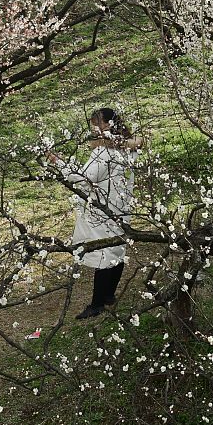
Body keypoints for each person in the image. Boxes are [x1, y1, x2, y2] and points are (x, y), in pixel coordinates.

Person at [47, 107, 142, 320]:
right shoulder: (127, 148)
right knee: (116, 248)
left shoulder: (105, 152)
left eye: (95, 124)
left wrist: (59, 163)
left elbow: (83, 179)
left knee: (103, 252)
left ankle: (97, 303)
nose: (92, 130)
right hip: (120, 205)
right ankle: (108, 296)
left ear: (106, 125)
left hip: (103, 209)